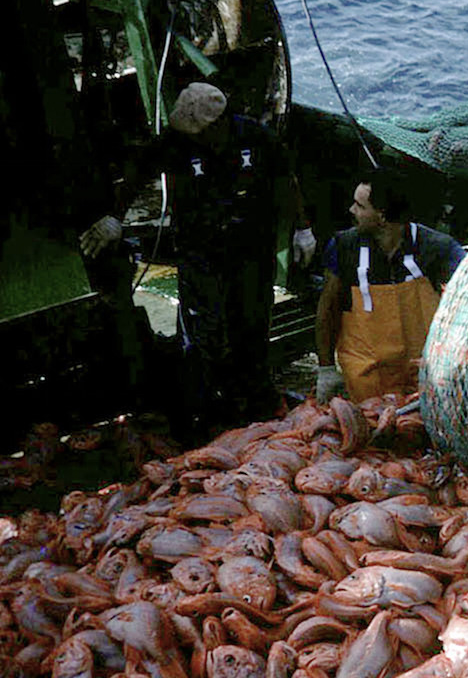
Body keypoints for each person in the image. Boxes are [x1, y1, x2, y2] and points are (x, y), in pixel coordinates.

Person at [80, 81, 315, 437]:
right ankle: (207, 409)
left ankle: (256, 399)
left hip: (251, 250)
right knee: (205, 334)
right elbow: (138, 171)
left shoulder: (256, 137)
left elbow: (287, 179)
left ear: (218, 123)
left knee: (252, 324)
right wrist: (115, 215)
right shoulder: (175, 143)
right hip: (200, 253)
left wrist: (303, 228)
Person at [315, 166, 465, 403]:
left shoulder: (438, 248)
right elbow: (327, 309)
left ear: (382, 216)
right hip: (367, 376)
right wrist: (326, 368)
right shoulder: (343, 246)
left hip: (423, 373)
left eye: (360, 206)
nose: (352, 210)